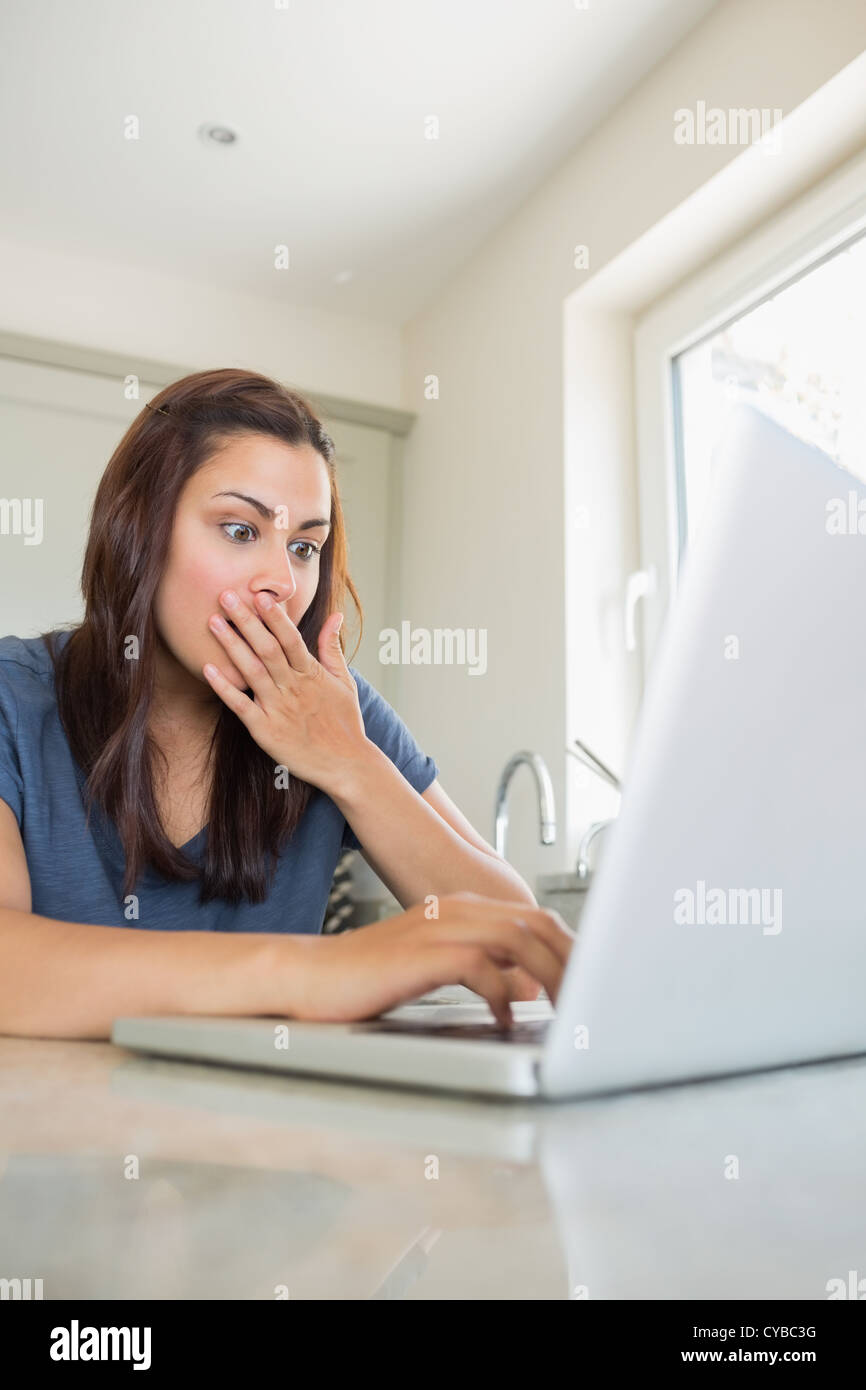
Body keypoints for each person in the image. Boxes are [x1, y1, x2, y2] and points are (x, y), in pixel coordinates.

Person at [0, 368, 574, 1040]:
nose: (282, 581)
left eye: (305, 546)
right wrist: (310, 971)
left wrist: (350, 764)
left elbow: (516, 951)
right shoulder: (16, 698)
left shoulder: (333, 707)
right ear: (138, 529)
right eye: (240, 530)